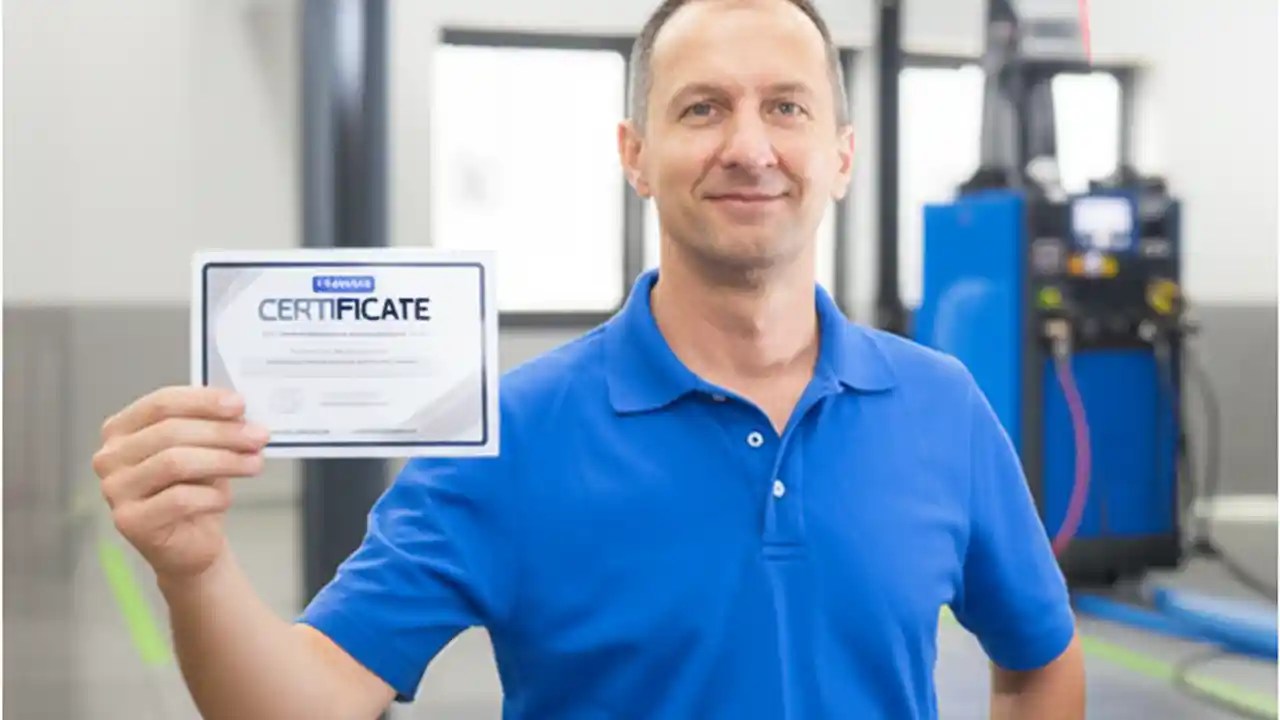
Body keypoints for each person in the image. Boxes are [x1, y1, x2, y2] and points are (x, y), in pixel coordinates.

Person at [92, 0, 1087, 717]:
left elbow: (1039, 660)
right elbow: (305, 702)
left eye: (784, 107)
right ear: (633, 154)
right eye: (700, 109)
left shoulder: (938, 407)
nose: (748, 146)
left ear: (838, 152)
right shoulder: (509, 437)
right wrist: (196, 570)